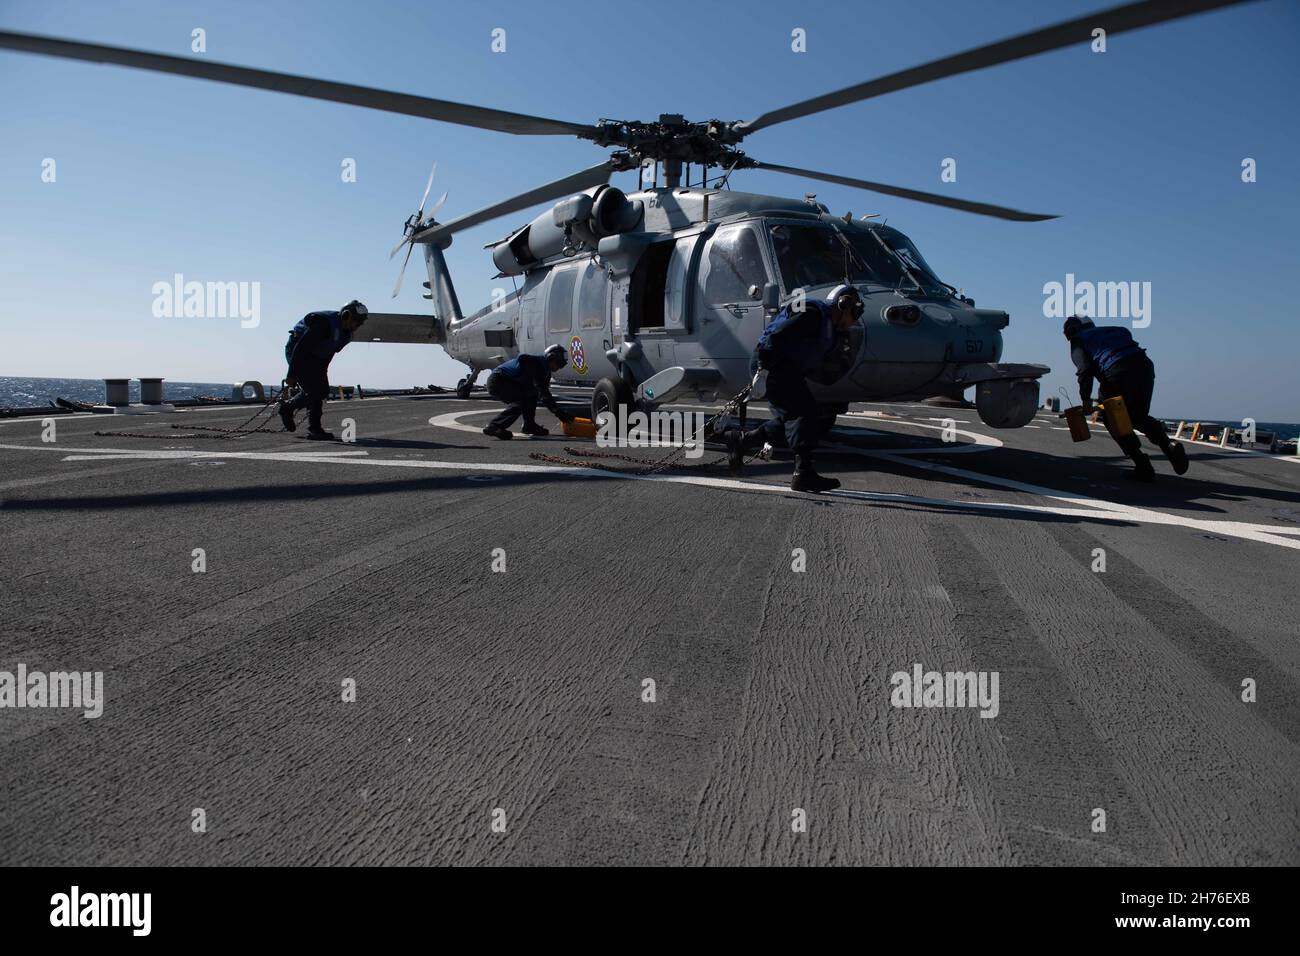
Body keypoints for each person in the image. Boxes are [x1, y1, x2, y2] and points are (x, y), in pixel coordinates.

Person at [724, 284, 862, 492]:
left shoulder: (830, 329)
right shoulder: (813, 314)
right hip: (771, 362)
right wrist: (763, 369)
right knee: (803, 412)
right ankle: (803, 474)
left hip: (783, 368)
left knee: (797, 417)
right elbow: (777, 336)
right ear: (844, 304)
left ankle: (742, 440)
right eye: (855, 313)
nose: (855, 321)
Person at [1064, 315, 1188, 481]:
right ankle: (1169, 446)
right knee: (1138, 416)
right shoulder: (1118, 330)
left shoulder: (1078, 341)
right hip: (1144, 366)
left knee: (1112, 418)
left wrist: (1085, 400)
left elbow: (1084, 370)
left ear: (1071, 331)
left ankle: (1142, 465)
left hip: (1117, 371)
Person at [280, 300, 368, 440]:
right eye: (356, 321)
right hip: (297, 352)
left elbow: (329, 353)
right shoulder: (323, 325)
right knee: (314, 391)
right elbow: (301, 348)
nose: (357, 325)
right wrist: (291, 374)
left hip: (316, 358)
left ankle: (288, 408)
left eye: (360, 322)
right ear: (345, 315)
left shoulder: (345, 334)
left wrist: (322, 373)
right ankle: (315, 429)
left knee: (322, 391)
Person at [482, 344, 574, 439]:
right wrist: (557, 412)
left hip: (508, 382)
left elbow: (544, 394)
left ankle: (529, 425)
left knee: (532, 395)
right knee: (521, 401)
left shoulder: (545, 371)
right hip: (498, 381)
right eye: (558, 363)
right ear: (550, 358)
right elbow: (543, 392)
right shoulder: (534, 363)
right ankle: (494, 426)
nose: (559, 367)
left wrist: (557, 410)